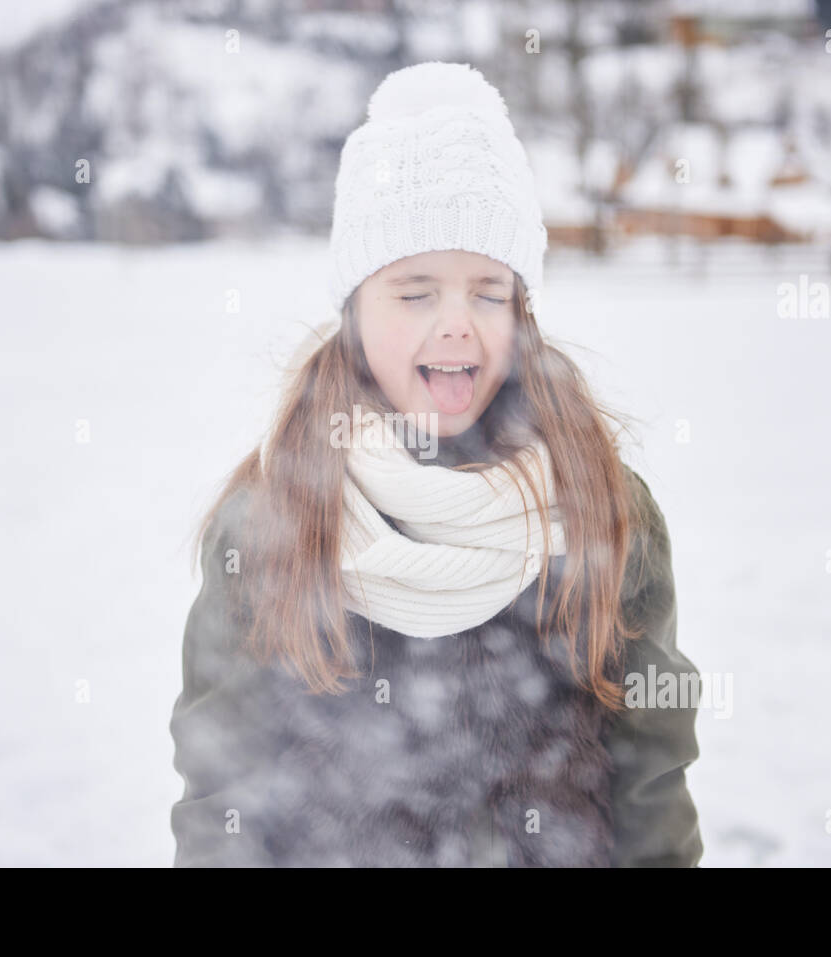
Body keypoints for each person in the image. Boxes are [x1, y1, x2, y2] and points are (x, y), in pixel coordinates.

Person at [169, 61, 703, 867]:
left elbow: (652, 770)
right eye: (415, 292)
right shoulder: (271, 520)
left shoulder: (599, 504)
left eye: (488, 292)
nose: (458, 325)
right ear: (354, 310)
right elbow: (222, 793)